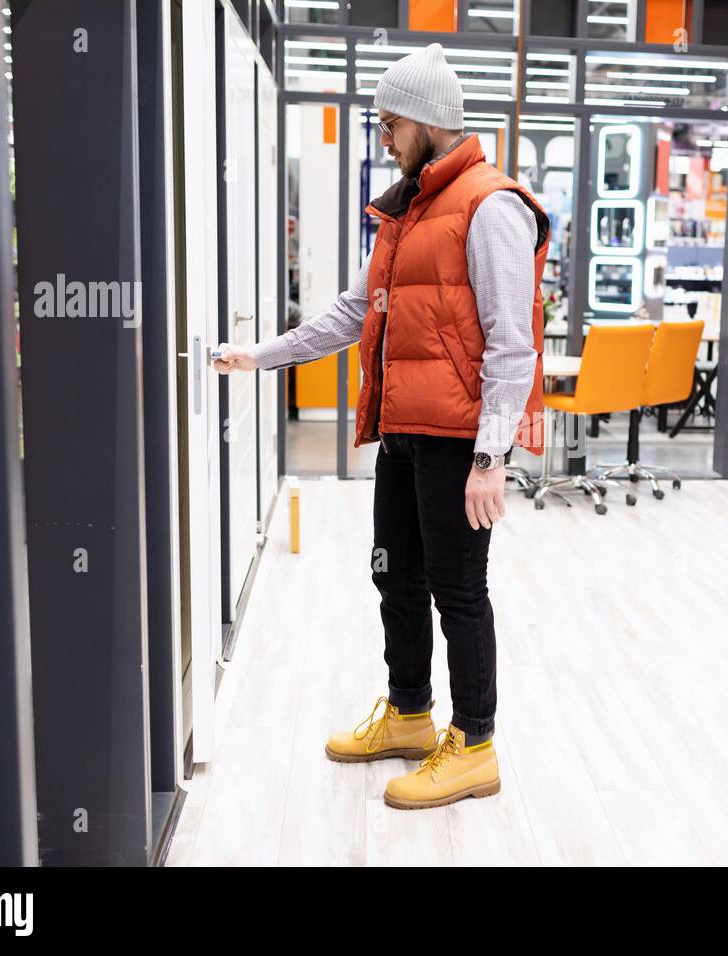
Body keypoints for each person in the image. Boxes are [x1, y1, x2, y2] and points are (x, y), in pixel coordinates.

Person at [212, 43, 550, 810]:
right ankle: (408, 714)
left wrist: (492, 455)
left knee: (458, 590)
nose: (385, 139)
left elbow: (511, 342)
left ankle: (475, 744)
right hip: (402, 429)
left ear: (429, 121)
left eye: (391, 124)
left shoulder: (488, 205)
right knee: (394, 575)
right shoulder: (409, 211)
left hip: (458, 439)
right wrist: (259, 357)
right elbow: (350, 311)